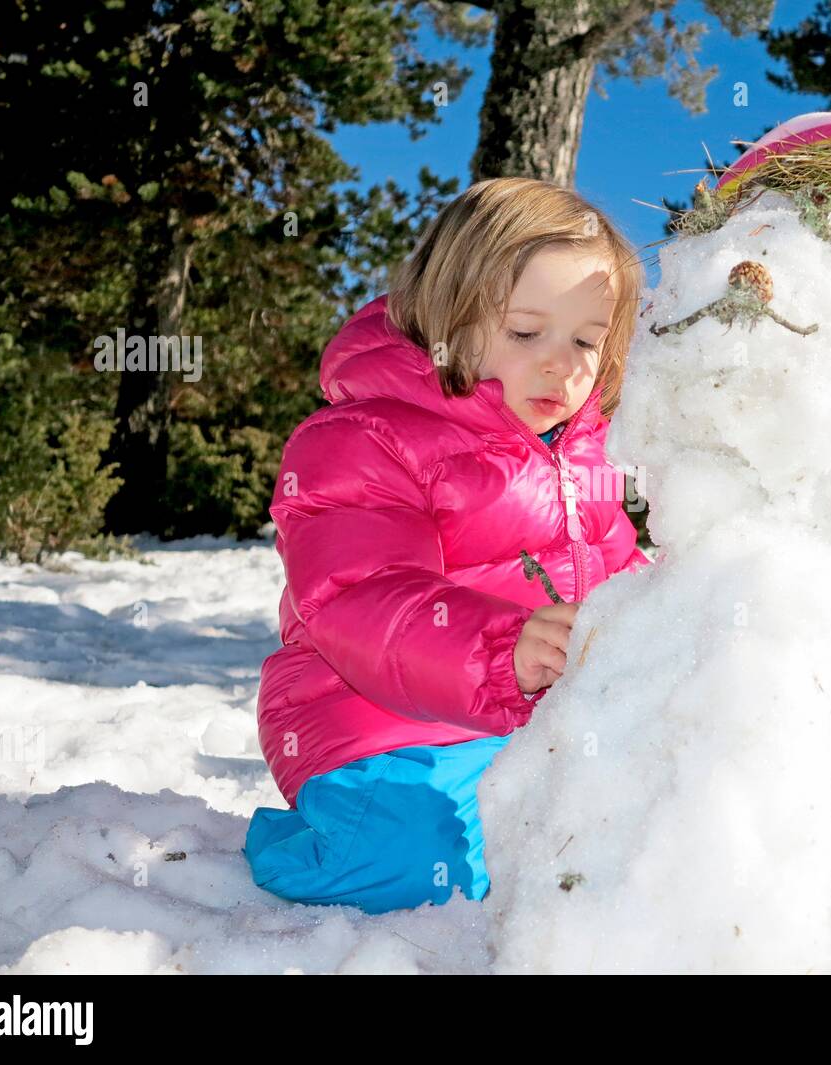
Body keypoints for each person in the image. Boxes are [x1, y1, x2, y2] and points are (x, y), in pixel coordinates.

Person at [242, 178, 650, 915]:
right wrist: (503, 650)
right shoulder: (366, 437)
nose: (561, 363)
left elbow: (623, 572)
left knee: (624, 832)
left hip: (532, 733)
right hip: (375, 727)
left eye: (586, 340)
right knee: (426, 861)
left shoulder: (588, 457)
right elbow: (356, 597)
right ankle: (313, 847)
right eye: (527, 333)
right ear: (448, 318)